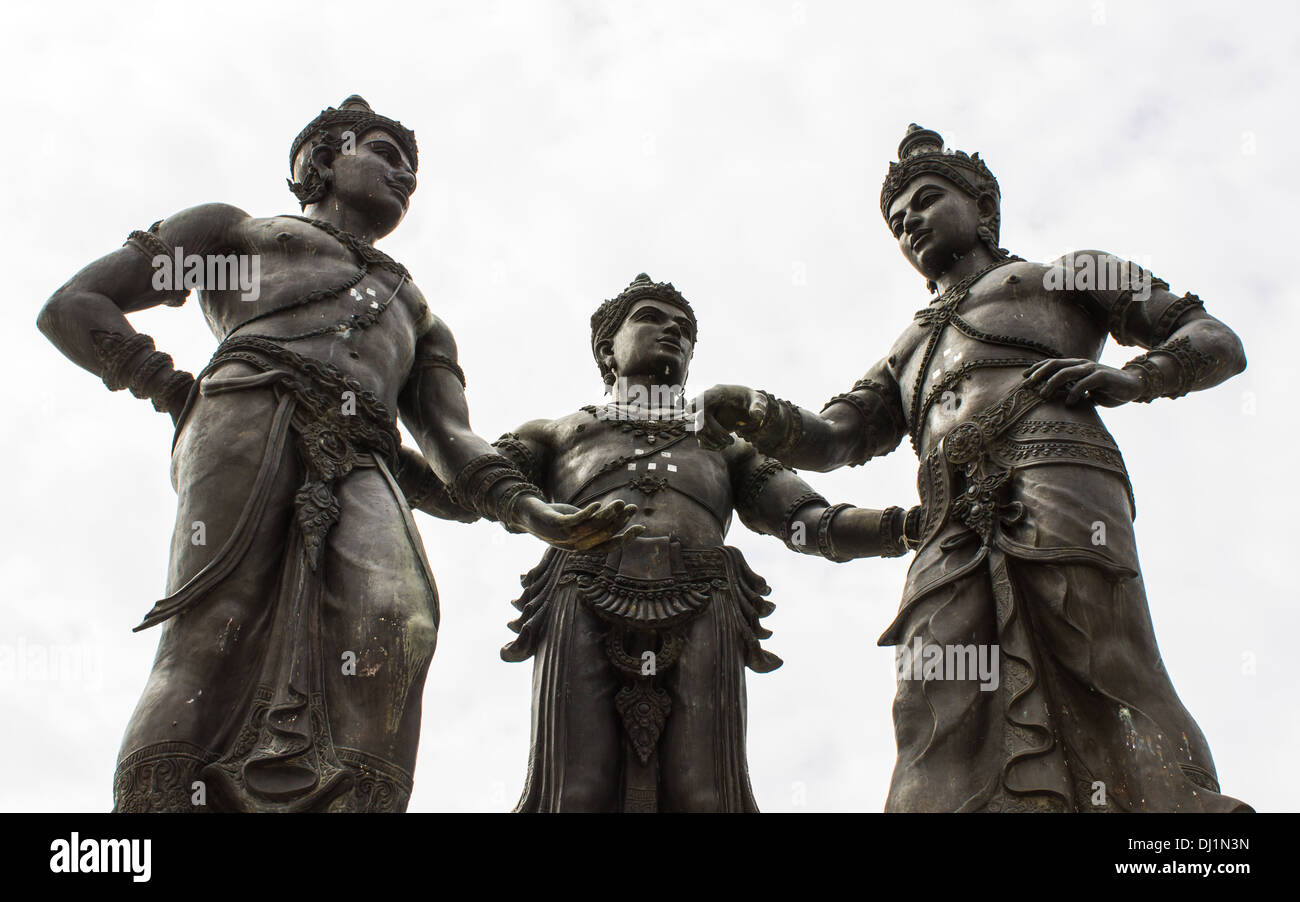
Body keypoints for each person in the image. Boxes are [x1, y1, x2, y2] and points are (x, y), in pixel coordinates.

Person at [36, 96, 635, 812]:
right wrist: (171, 390)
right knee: (217, 624)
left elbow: (451, 442)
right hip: (251, 411)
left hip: (366, 456)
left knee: (400, 621)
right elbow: (75, 305)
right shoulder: (238, 236)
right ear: (320, 158)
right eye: (386, 153)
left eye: (411, 166)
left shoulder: (415, 312)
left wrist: (530, 507)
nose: (404, 174)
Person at [695, 125, 1250, 812]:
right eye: (898, 223)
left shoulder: (1070, 273)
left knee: (1102, 655)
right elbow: (835, 438)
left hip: (1057, 466)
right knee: (934, 687)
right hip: (948, 519)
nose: (911, 226)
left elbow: (1214, 339)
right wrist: (754, 411)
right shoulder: (906, 352)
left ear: (984, 207)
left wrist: (1139, 377)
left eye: (927, 202)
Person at [493, 273, 912, 811]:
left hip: (704, 592)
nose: (673, 332)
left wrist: (906, 527)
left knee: (706, 793)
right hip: (579, 588)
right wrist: (382, 445)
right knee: (573, 792)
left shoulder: (724, 444)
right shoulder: (557, 433)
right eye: (651, 318)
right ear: (607, 349)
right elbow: (467, 484)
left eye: (685, 329)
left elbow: (812, 522)